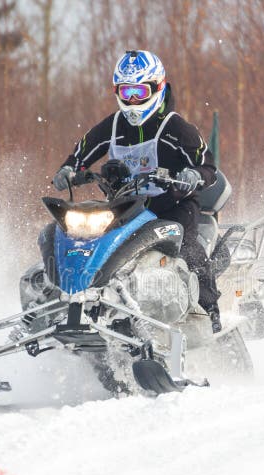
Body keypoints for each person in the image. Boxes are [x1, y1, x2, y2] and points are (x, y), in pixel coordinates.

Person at [50, 50, 222, 332]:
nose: (131, 101)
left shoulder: (177, 128)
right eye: (126, 92)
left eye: (139, 92)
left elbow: (207, 166)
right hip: (126, 208)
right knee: (88, 243)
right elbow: (83, 151)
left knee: (189, 249)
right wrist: (68, 169)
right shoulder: (113, 126)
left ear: (157, 88)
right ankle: (73, 303)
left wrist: (193, 175)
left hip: (172, 207)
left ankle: (210, 311)